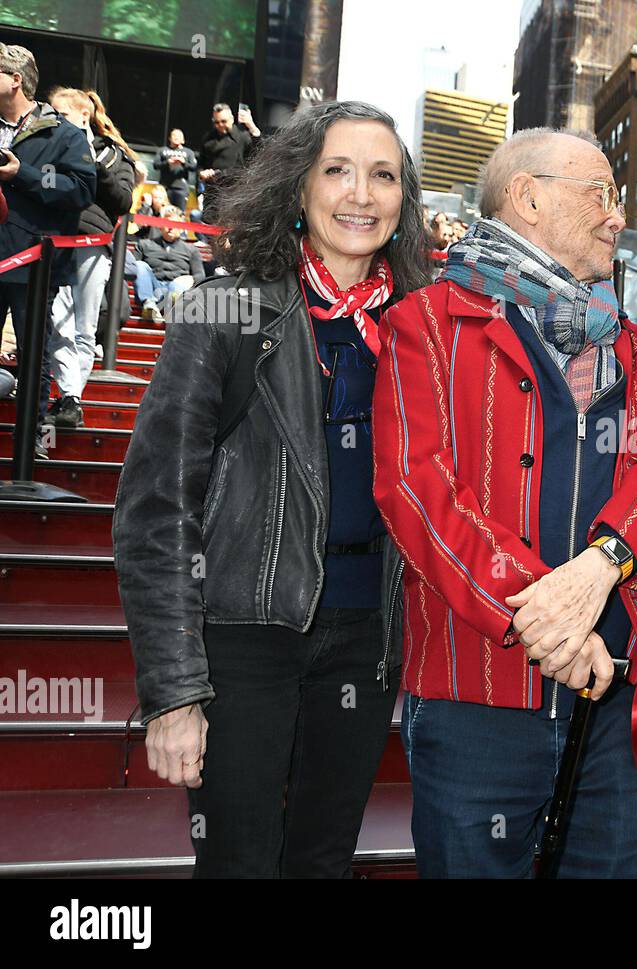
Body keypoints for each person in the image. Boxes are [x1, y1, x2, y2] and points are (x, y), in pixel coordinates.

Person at [112, 100, 434, 878]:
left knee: (321, 862)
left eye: (383, 176)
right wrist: (175, 689)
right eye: (338, 171)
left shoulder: (420, 327)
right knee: (239, 863)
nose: (361, 194)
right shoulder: (225, 309)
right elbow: (156, 509)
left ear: (403, 201)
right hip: (243, 634)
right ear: (298, 187)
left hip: (364, 639)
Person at [373, 128, 637, 878]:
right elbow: (417, 493)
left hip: (610, 698)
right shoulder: (424, 323)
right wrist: (550, 620)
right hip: (475, 694)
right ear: (530, 196)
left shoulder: (630, 344)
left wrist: (601, 568)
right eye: (602, 196)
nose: (619, 218)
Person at [0, 44, 95, 433]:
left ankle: (32, 437)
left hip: (33, 264)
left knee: (33, 353)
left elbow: (80, 189)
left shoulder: (65, 134)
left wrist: (24, 173)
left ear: (15, 80)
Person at [45, 87, 136, 429]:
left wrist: (92, 164)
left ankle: (72, 397)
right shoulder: (47, 145)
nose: (55, 122)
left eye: (62, 115)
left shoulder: (111, 153)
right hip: (54, 238)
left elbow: (123, 201)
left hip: (92, 239)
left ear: (83, 116)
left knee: (83, 325)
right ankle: (69, 395)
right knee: (58, 321)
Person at [134, 205, 205, 320]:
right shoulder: (144, 244)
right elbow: (131, 269)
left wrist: (192, 279)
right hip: (153, 289)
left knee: (175, 286)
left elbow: (201, 275)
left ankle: (172, 308)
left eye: (175, 225)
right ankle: (149, 306)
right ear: (160, 226)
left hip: (177, 291)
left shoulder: (192, 250)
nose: (171, 228)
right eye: (167, 224)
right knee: (139, 265)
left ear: (182, 228)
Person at [197, 102, 260, 223]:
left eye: (223, 121)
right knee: (210, 226)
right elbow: (200, 164)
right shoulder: (208, 138)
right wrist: (202, 173)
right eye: (216, 122)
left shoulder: (243, 136)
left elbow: (259, 150)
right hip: (212, 193)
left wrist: (252, 126)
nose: (220, 125)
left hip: (234, 192)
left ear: (231, 119)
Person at [155, 128, 196, 210]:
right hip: (164, 187)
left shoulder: (189, 152)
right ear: (169, 138)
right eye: (174, 135)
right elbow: (155, 165)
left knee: (180, 213)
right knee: (163, 212)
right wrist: (168, 162)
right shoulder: (162, 150)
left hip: (181, 188)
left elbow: (194, 167)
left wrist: (183, 162)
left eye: (179, 136)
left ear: (183, 140)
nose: (176, 137)